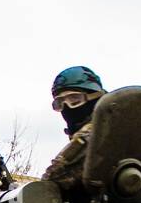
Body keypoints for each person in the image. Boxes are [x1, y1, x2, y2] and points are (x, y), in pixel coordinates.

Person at [42, 65, 107, 193]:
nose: (67, 107)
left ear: (96, 98)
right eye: (59, 103)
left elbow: (51, 180)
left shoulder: (95, 134)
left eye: (75, 99)